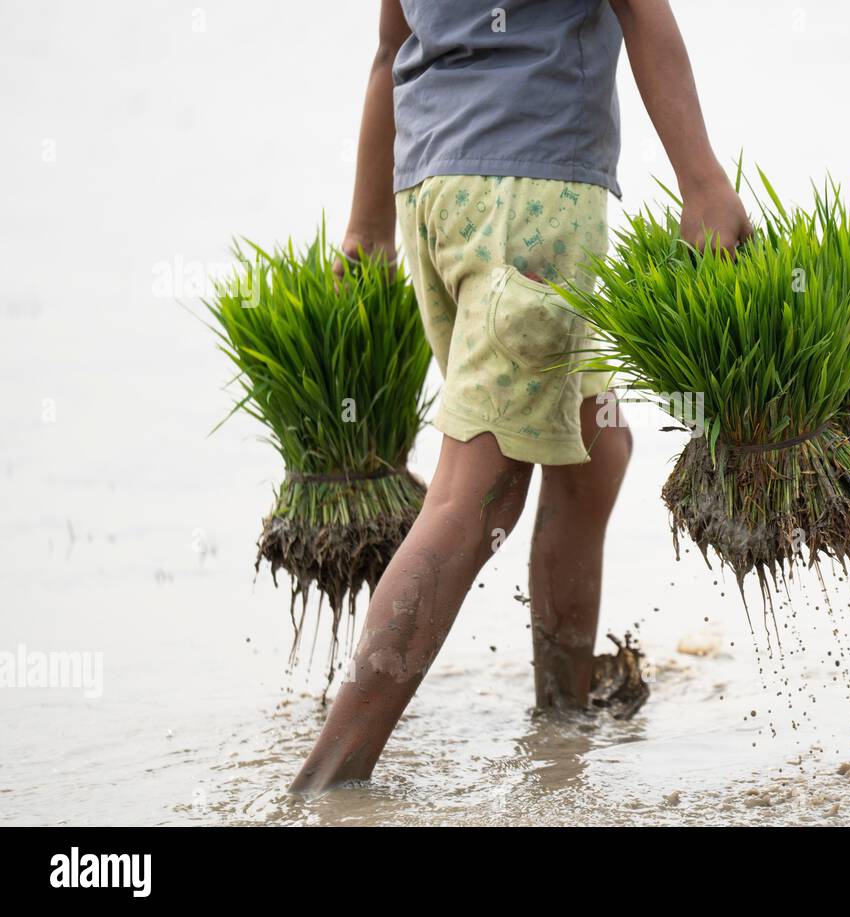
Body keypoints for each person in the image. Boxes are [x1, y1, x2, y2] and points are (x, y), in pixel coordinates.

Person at [291, 0, 751, 795]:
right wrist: (704, 181)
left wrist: (367, 222)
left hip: (436, 197)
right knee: (474, 496)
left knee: (595, 448)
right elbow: (642, 10)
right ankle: (327, 781)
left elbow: (389, 46)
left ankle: (562, 716)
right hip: (532, 209)